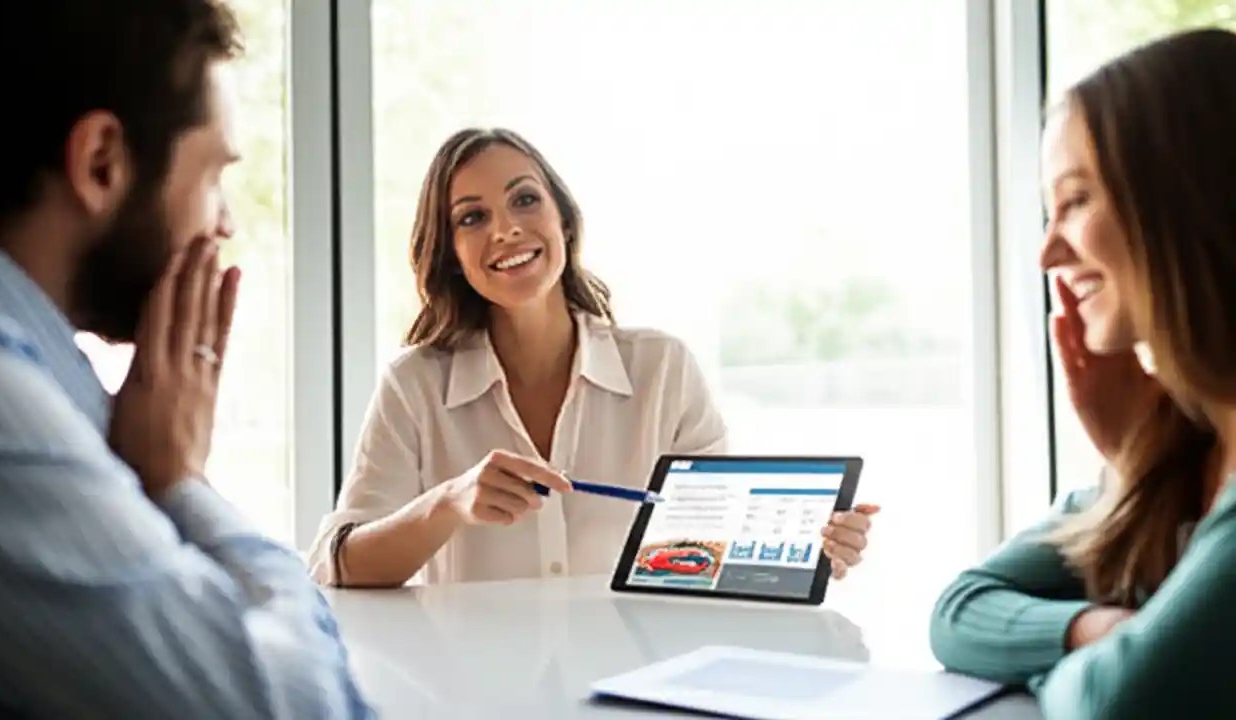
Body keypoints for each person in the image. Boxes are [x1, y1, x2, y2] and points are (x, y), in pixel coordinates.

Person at [0, 2, 372, 717]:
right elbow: (292, 707)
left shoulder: (32, 369)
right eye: (213, 174)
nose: (227, 223)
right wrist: (181, 479)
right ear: (101, 163)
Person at [309, 127, 879, 588]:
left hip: (637, 686)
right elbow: (338, 567)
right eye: (472, 217)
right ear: (452, 254)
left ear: (564, 220)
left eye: (524, 199)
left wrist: (809, 547)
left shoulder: (662, 369)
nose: (506, 228)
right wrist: (449, 502)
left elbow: (709, 553)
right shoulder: (414, 386)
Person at [928, 27, 1236, 718]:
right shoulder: (1181, 450)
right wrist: (1097, 629)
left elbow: (1118, 699)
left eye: (1074, 202)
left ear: (1185, 201)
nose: (1047, 252)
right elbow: (959, 609)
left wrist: (1096, 661)